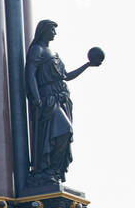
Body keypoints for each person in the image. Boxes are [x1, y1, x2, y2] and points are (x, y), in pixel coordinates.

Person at [25, 20, 101, 182]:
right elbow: (30, 74)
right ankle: (45, 169)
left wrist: (87, 65)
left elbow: (66, 76)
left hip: (61, 99)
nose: (55, 33)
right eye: (52, 30)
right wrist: (36, 97)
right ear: (44, 31)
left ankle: (54, 170)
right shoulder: (37, 50)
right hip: (48, 99)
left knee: (64, 134)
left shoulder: (52, 53)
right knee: (62, 131)